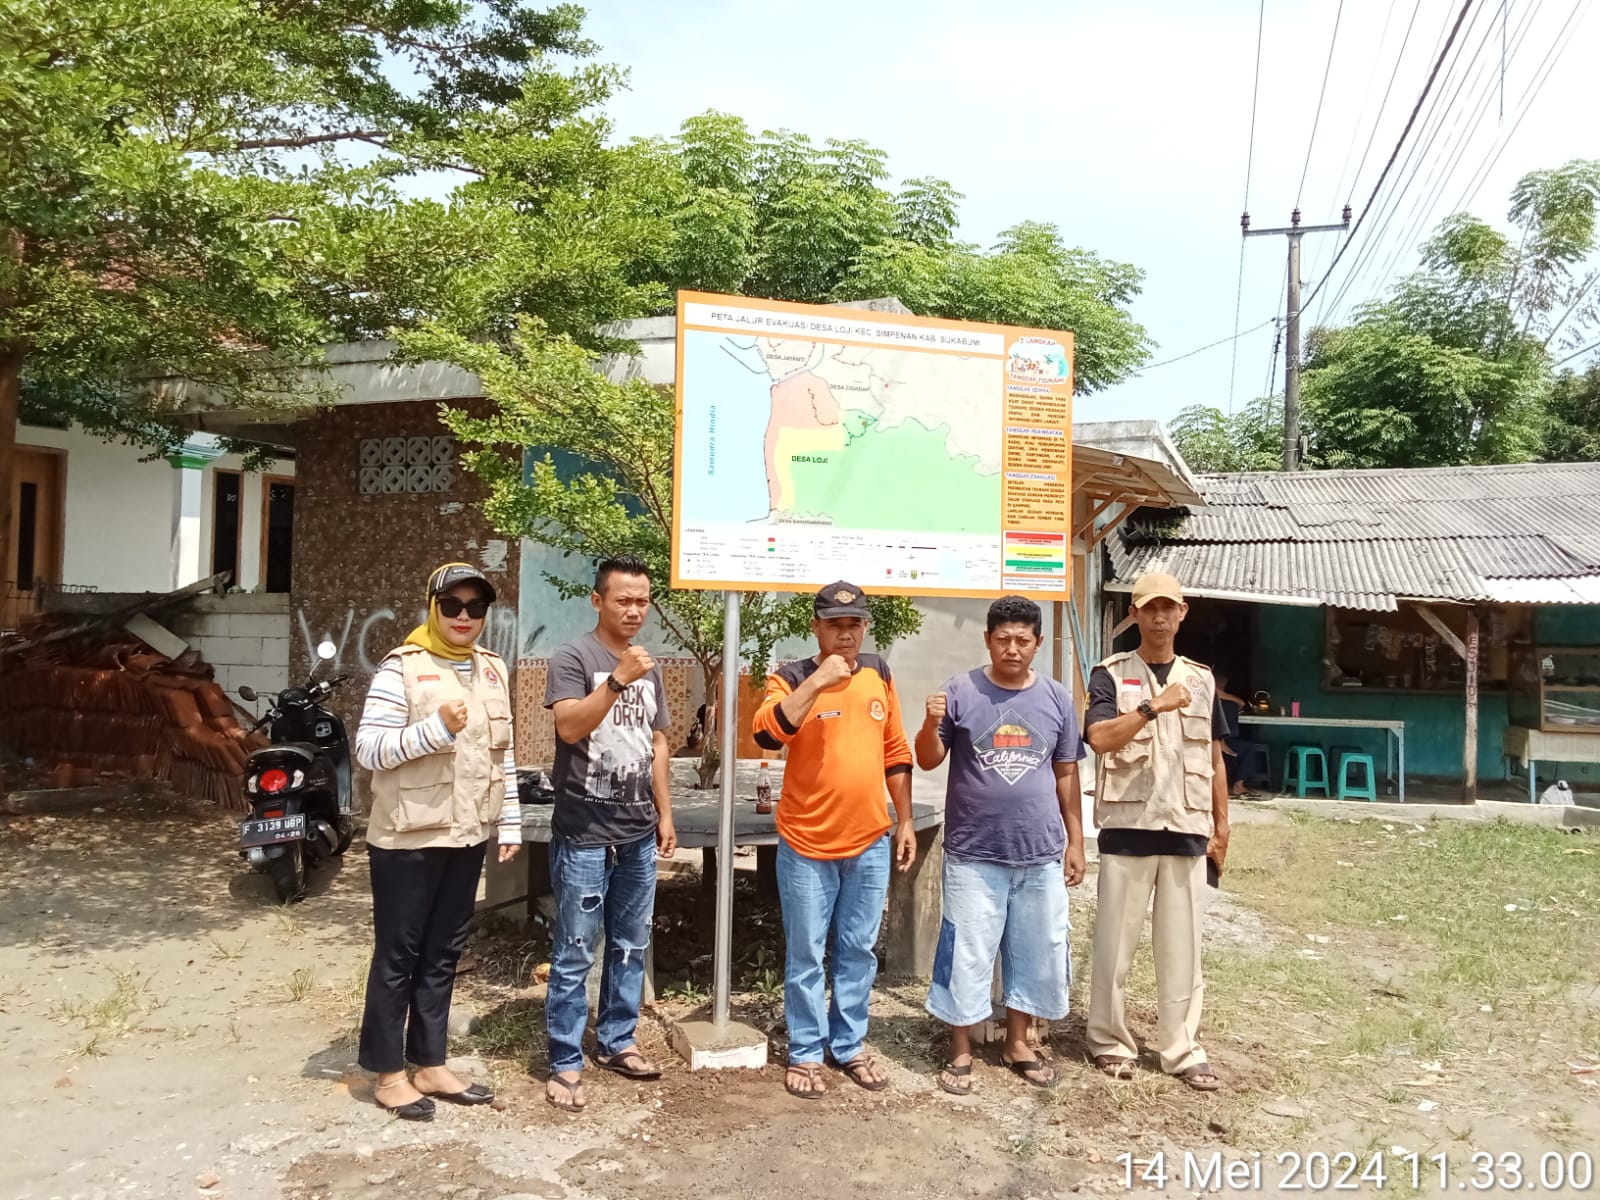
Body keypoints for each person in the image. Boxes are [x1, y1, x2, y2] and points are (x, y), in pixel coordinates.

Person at [353, 562, 521, 1121]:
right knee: (398, 955)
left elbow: (504, 755)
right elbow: (369, 750)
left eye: (476, 607)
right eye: (452, 605)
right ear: (433, 607)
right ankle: (387, 1074)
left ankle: (430, 1062)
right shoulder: (400, 668)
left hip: (466, 833)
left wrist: (510, 823)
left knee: (444, 952)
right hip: (406, 837)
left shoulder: (492, 669)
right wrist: (436, 729)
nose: (464, 617)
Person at [914, 596, 1086, 1096]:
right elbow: (928, 759)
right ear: (987, 640)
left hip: (1040, 853)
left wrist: (1075, 840)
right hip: (974, 853)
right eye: (1003, 639)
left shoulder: (1056, 698)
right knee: (967, 951)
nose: (1013, 648)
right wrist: (928, 723)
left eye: (1022, 640)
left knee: (1036, 949)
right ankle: (960, 1048)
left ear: (1037, 643)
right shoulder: (960, 691)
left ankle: (1018, 1043)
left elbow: (1066, 773)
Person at [753, 581, 916, 1100]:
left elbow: (895, 750)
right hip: (806, 843)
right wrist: (819, 680)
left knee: (858, 950)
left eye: (854, 624)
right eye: (835, 625)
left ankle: (848, 1045)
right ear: (816, 627)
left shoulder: (878, 673)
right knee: (806, 954)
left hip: (868, 840)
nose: (846, 634)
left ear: (864, 626)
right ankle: (805, 1050)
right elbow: (766, 733)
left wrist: (905, 820)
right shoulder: (790, 677)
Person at [1083, 572, 1229, 1092]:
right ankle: (1109, 1040)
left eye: (1169, 608)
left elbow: (1215, 755)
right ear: (1135, 614)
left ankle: (1182, 1049)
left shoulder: (1201, 679)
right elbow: (1099, 738)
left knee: (1183, 949)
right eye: (1149, 608)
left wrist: (1222, 826)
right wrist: (1152, 707)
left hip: (1186, 827)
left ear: (1183, 613)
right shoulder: (1110, 674)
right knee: (1113, 946)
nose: (1160, 617)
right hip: (1129, 828)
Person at [542, 554, 677, 1113]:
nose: (634, 610)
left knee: (631, 944)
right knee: (576, 948)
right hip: (584, 832)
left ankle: (618, 1040)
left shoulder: (650, 666)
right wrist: (618, 680)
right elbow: (569, 726)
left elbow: (658, 742)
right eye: (623, 600)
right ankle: (565, 1059)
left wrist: (665, 814)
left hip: (638, 832)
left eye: (642, 601)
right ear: (598, 601)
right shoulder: (573, 657)